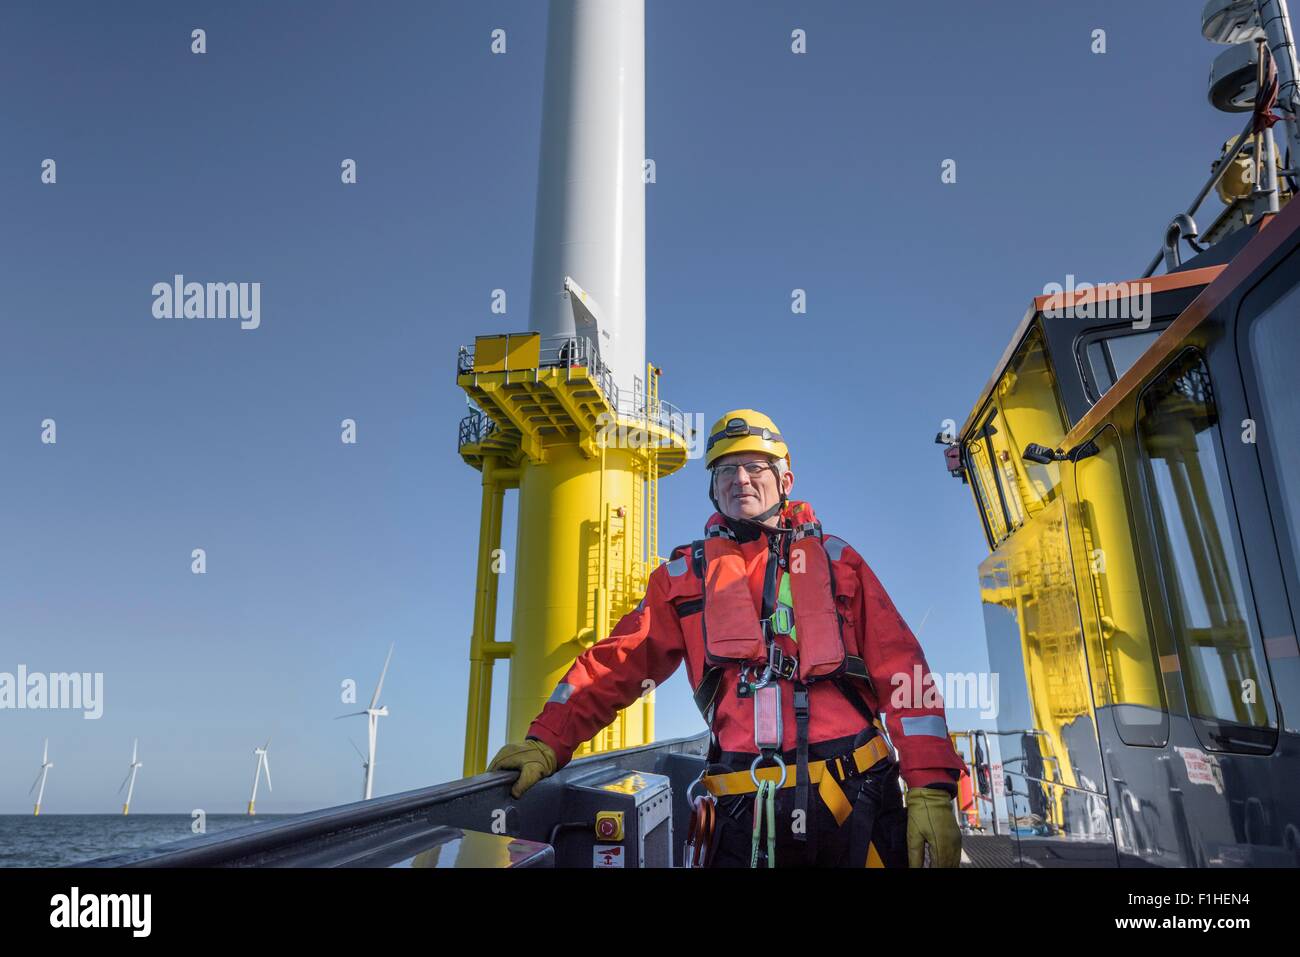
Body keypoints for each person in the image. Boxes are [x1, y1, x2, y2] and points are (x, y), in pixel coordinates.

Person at [490, 409, 966, 867]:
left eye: (755, 466)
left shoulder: (840, 561)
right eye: (726, 469)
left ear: (786, 481)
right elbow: (616, 665)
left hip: (857, 801)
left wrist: (929, 786)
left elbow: (904, 669)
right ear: (713, 488)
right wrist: (549, 739)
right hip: (742, 814)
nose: (741, 479)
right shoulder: (681, 578)